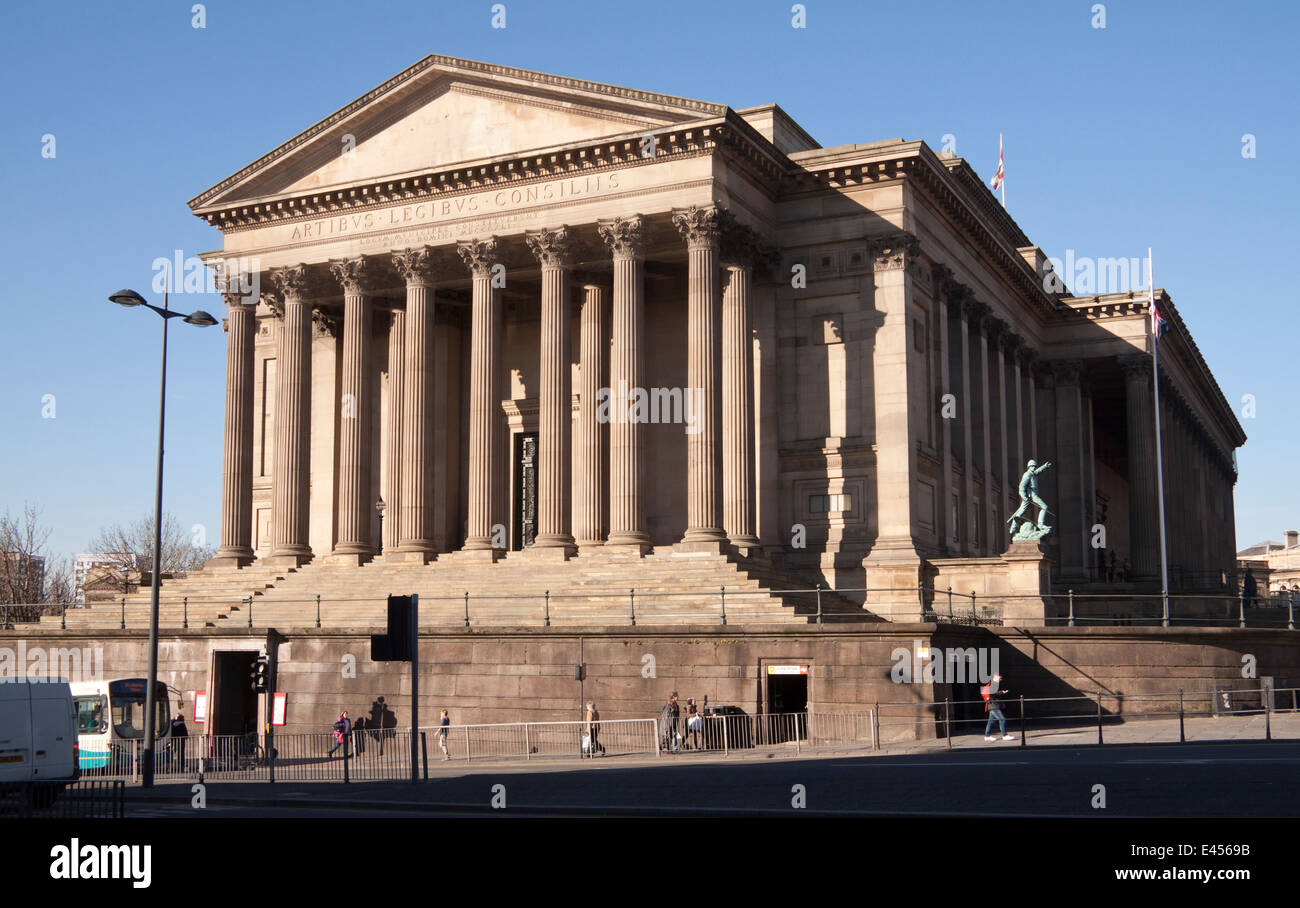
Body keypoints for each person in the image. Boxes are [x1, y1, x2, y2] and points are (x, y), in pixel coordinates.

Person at [1007, 459, 1052, 535]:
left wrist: (1044, 466)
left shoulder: (1032, 473)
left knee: (1020, 512)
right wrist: (1024, 497)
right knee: (1044, 506)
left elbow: (1038, 471)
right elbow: (1021, 487)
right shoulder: (1027, 475)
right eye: (1032, 466)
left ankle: (1013, 528)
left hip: (1032, 493)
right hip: (1030, 494)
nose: (1034, 468)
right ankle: (1040, 524)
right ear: (1029, 467)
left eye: (1035, 466)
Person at [982, 675, 1013, 742]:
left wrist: (1001, 692)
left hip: (992, 705)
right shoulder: (993, 684)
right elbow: (994, 693)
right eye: (999, 677)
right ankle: (1005, 735)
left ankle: (987, 736)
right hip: (993, 705)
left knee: (991, 721)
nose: (1000, 678)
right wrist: (1002, 692)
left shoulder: (992, 684)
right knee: (1002, 719)